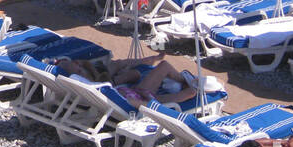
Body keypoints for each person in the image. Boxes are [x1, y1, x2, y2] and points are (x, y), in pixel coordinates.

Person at [55, 53, 202, 107]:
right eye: (79, 68)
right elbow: (140, 104)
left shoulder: (78, 82)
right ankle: (185, 79)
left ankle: (184, 80)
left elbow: (65, 65)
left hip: (127, 94)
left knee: (160, 69)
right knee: (165, 67)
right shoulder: (97, 85)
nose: (79, 66)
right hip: (137, 97)